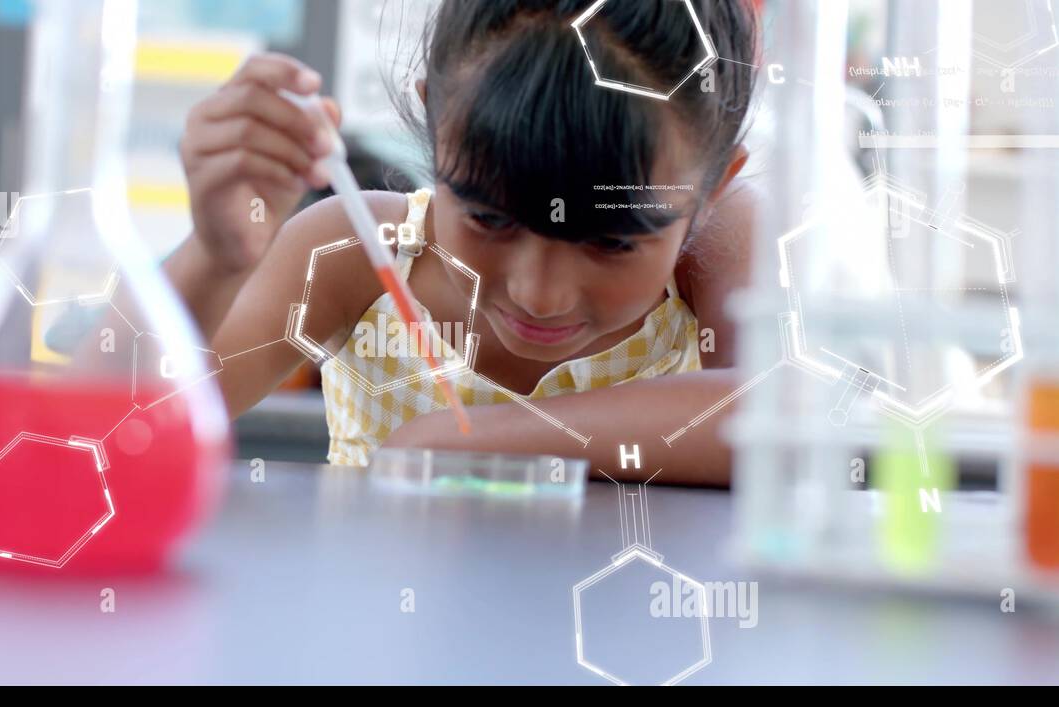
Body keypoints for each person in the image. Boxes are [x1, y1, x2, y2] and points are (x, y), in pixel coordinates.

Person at [165, 0, 761, 485]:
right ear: (435, 126)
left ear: (713, 189)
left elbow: (788, 414)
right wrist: (211, 259)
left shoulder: (720, 239)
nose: (540, 295)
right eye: (489, 219)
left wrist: (461, 439)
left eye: (610, 241)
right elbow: (117, 436)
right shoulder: (360, 249)